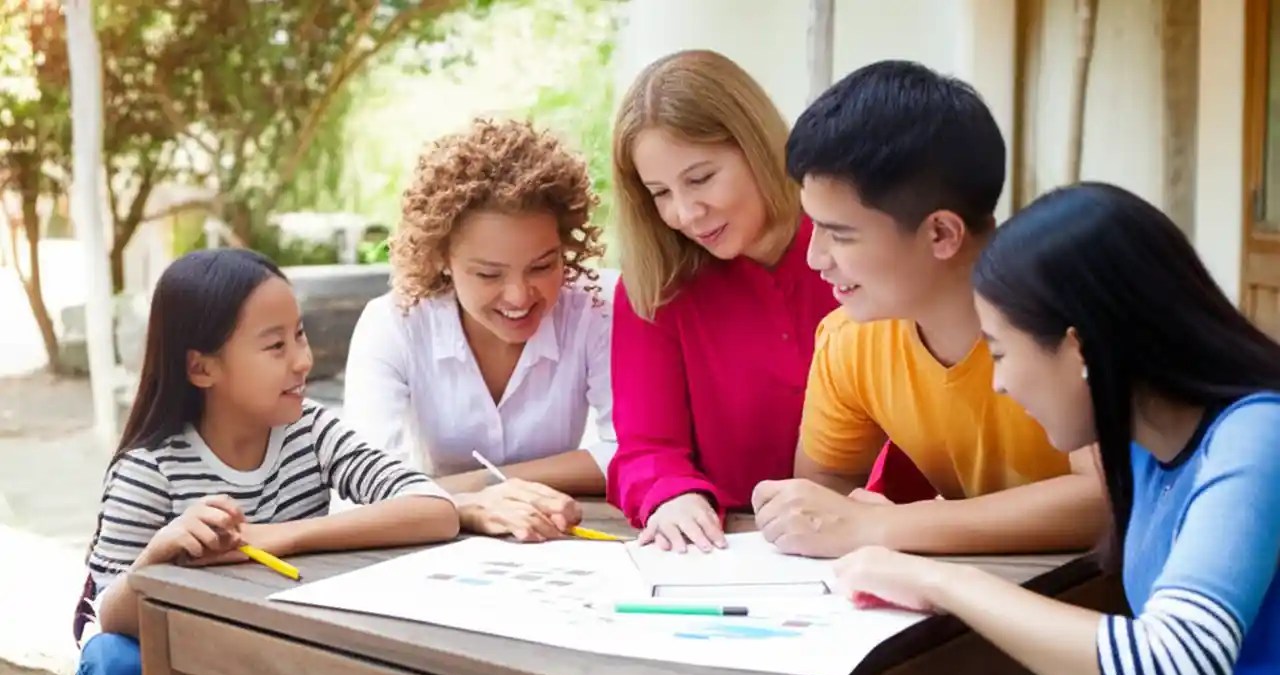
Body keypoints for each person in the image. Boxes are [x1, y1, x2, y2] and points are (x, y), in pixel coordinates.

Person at [835, 182, 1280, 675]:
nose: (1000, 384)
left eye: (1000, 352)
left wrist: (941, 581)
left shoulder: (1257, 435)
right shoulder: (1143, 449)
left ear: (1079, 348)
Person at [72, 248, 459, 675]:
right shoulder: (149, 470)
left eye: (299, 335)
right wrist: (156, 560)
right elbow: (109, 621)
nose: (303, 360)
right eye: (276, 346)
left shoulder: (310, 433)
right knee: (113, 663)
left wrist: (281, 536)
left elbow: (433, 508)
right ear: (202, 368)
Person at [752, 60, 1107, 558]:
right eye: (815, 229)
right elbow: (822, 501)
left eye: (839, 234)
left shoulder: (1070, 318)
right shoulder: (850, 341)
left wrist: (885, 527)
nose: (815, 259)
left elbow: (1104, 499)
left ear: (940, 233)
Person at [606, 48, 924, 552]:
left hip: (890, 534)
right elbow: (646, 448)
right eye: (659, 192)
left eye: (700, 178)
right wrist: (672, 496)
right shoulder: (656, 286)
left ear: (756, 145)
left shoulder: (860, 246)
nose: (686, 213)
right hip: (733, 546)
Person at [343, 118, 615, 543]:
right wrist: (469, 506)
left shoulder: (594, 309)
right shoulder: (394, 325)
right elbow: (362, 488)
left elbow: (632, 451)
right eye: (489, 274)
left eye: (543, 266)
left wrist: (489, 483)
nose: (519, 296)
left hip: (559, 536)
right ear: (443, 260)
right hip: (429, 548)